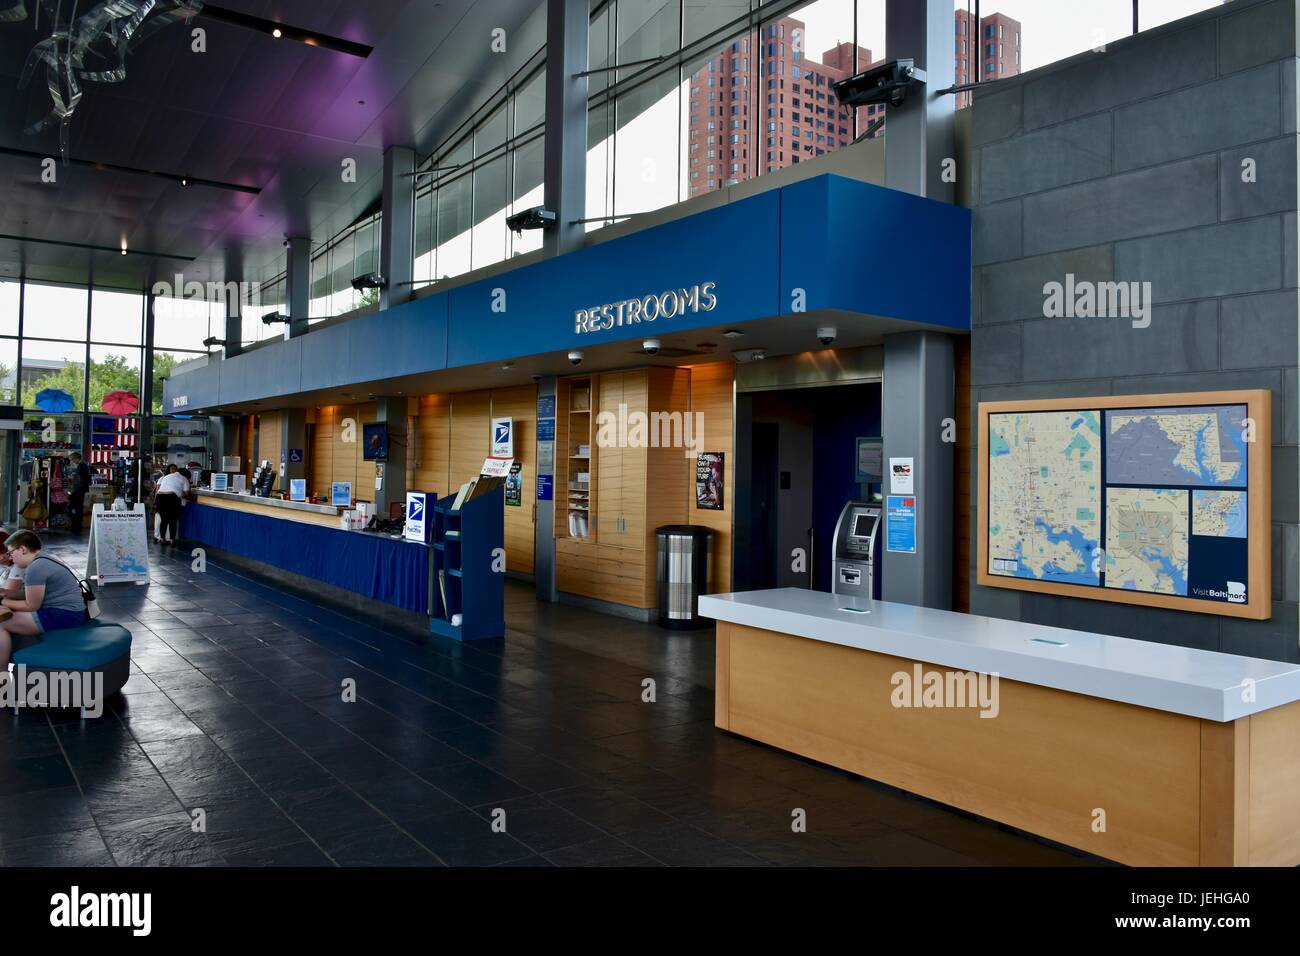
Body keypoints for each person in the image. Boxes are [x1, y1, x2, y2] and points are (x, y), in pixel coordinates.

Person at [0, 531, 87, 688]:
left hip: (64, 614)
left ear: (23, 549)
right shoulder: (43, 559)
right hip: (71, 612)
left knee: (2, 623)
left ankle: (2, 677)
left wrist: (4, 601)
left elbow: (31, 606)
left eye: (11, 552)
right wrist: (5, 593)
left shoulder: (36, 568)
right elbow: (29, 594)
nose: (10, 557)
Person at [154, 464, 190, 545]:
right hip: (171, 497)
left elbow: (159, 489)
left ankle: (162, 539)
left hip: (160, 497)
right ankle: (172, 540)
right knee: (173, 520)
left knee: (164, 520)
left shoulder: (167, 476)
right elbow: (187, 493)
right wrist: (182, 495)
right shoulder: (184, 478)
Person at [68, 452, 92, 534]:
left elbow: (83, 479)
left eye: (72, 459)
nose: (72, 461)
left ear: (76, 458)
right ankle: (76, 526)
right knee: (77, 508)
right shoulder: (82, 466)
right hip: (79, 490)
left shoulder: (82, 466)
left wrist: (76, 490)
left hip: (79, 490)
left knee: (77, 508)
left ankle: (76, 526)